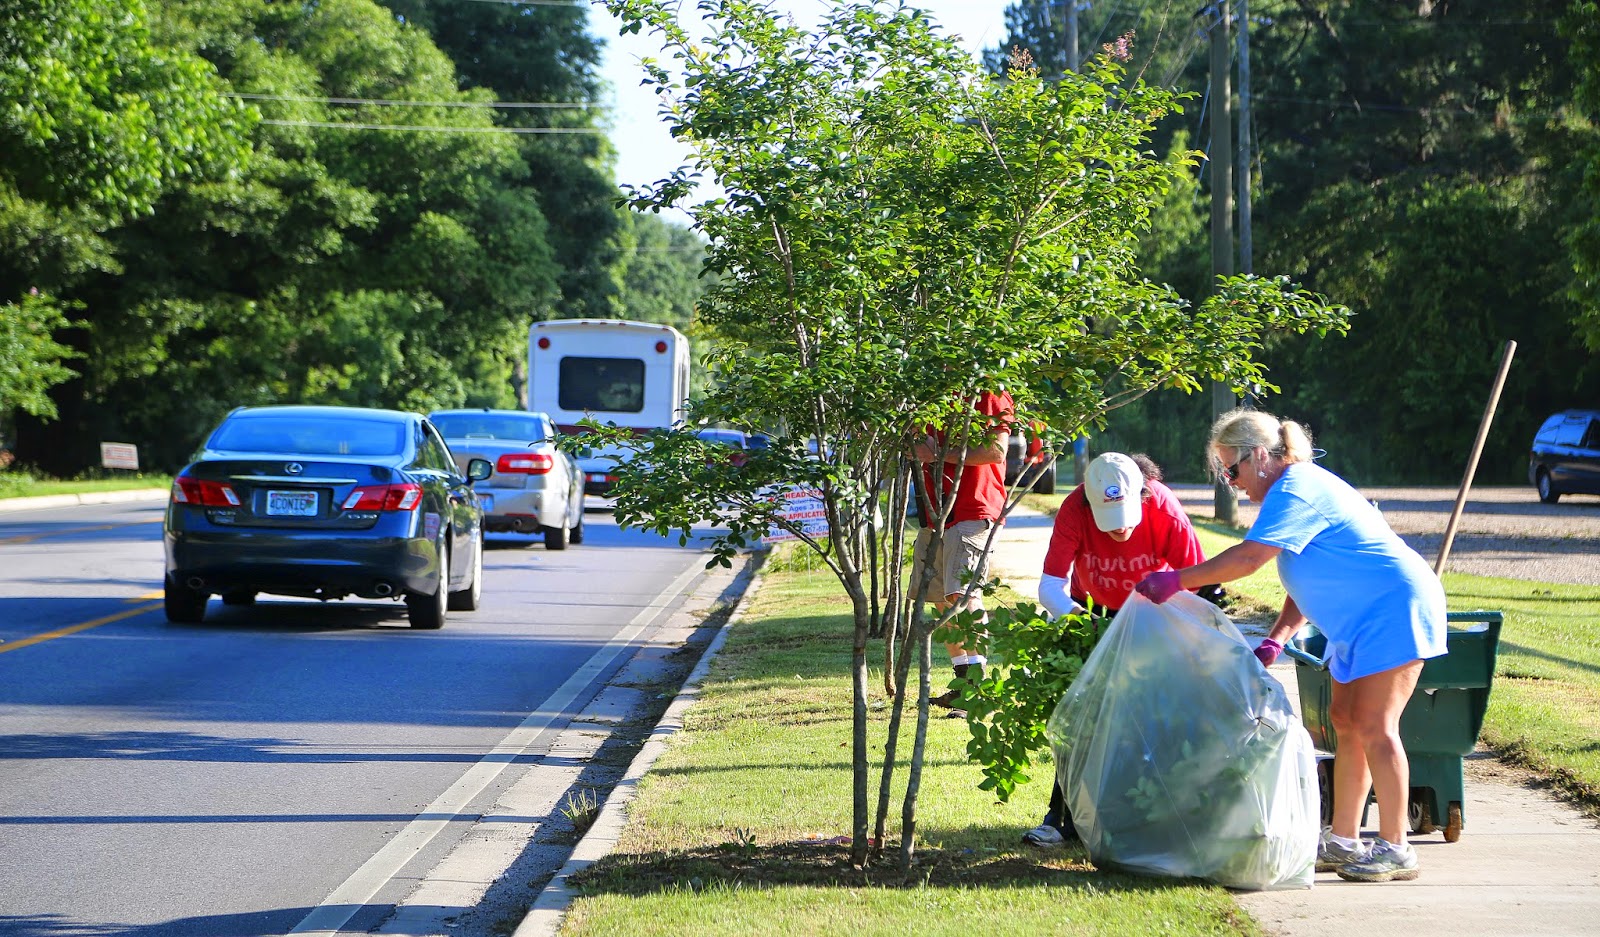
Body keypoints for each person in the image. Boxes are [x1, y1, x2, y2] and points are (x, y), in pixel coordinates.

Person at [1135, 408, 1446, 884]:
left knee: (1375, 724)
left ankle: (1396, 848)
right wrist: (1278, 637)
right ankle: (1343, 840)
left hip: (1393, 608)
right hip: (1359, 620)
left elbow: (1250, 558)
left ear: (1259, 455)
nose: (1230, 481)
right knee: (1344, 722)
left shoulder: (1296, 487)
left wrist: (1177, 580)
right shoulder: (1290, 490)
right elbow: (1304, 573)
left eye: (1231, 469)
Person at [1023, 451, 1214, 847]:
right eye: (1108, 521)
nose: (1118, 532)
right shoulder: (1074, 509)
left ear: (1143, 496)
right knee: (1085, 717)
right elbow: (1050, 586)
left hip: (1157, 613)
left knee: (1160, 715)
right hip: (1090, 612)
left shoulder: (1165, 508)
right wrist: (1081, 621)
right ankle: (1062, 819)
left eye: (1125, 518)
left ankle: (1160, 815)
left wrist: (1172, 630)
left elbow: (1199, 582)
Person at [911, 388, 1015, 711]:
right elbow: (912, 446)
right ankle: (962, 681)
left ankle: (978, 686)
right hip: (938, 513)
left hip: (975, 509)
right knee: (940, 598)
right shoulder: (925, 386)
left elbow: (997, 451)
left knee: (964, 594)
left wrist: (939, 452)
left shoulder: (990, 391)